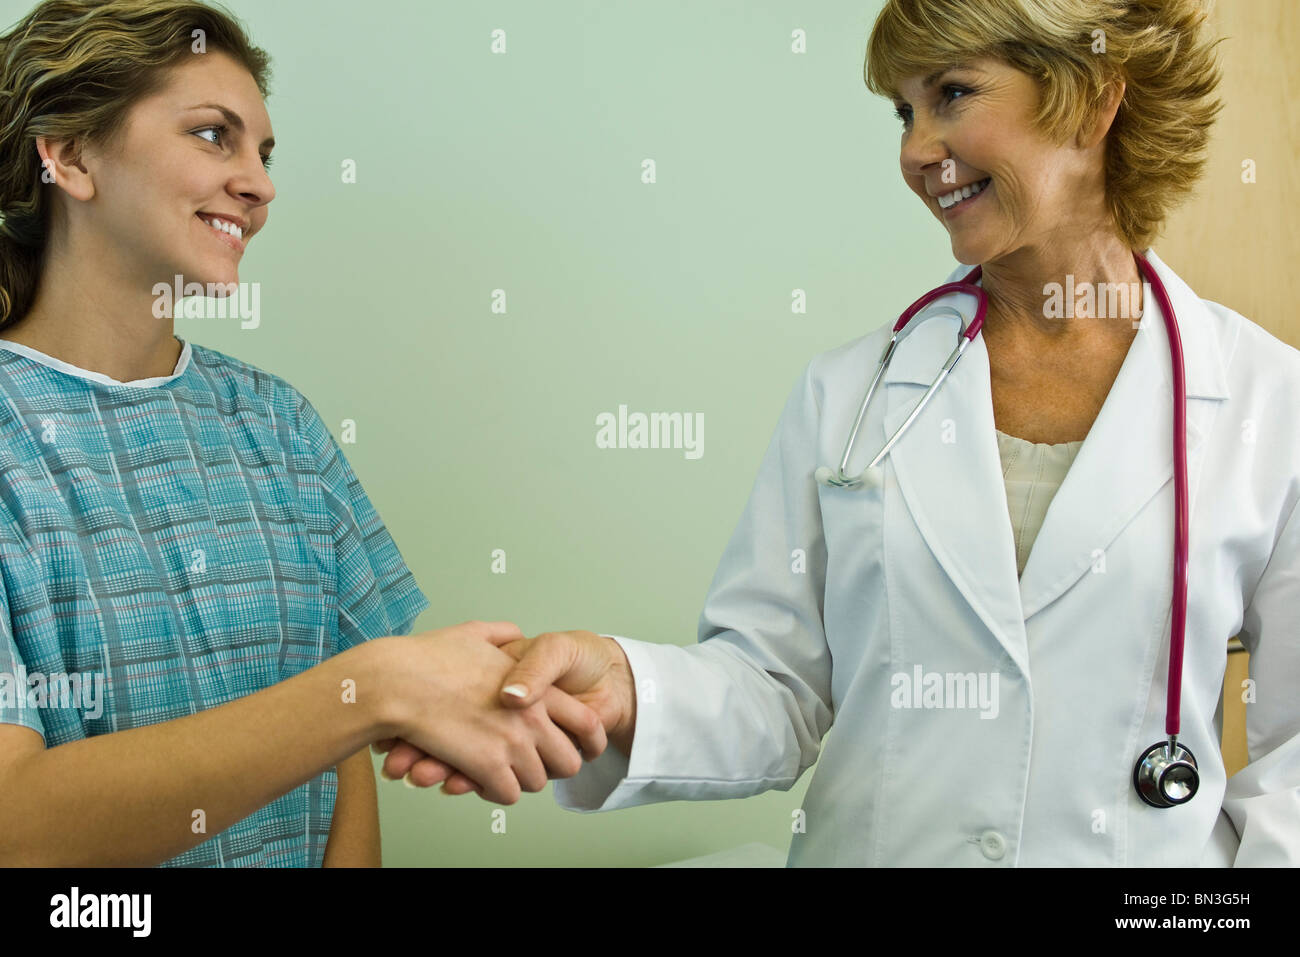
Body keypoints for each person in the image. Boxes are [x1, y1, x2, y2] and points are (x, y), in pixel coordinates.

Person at [382, 0, 1300, 866]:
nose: (917, 149)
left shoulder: (1269, 401)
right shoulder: (852, 391)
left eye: (953, 94)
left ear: (1093, 96)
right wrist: (625, 688)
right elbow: (776, 687)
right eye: (902, 112)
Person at [0, 0, 606, 867]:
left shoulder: (279, 425)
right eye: (214, 135)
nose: (259, 182)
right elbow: (13, 827)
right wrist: (375, 690)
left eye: (265, 152)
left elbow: (341, 765)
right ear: (68, 155)